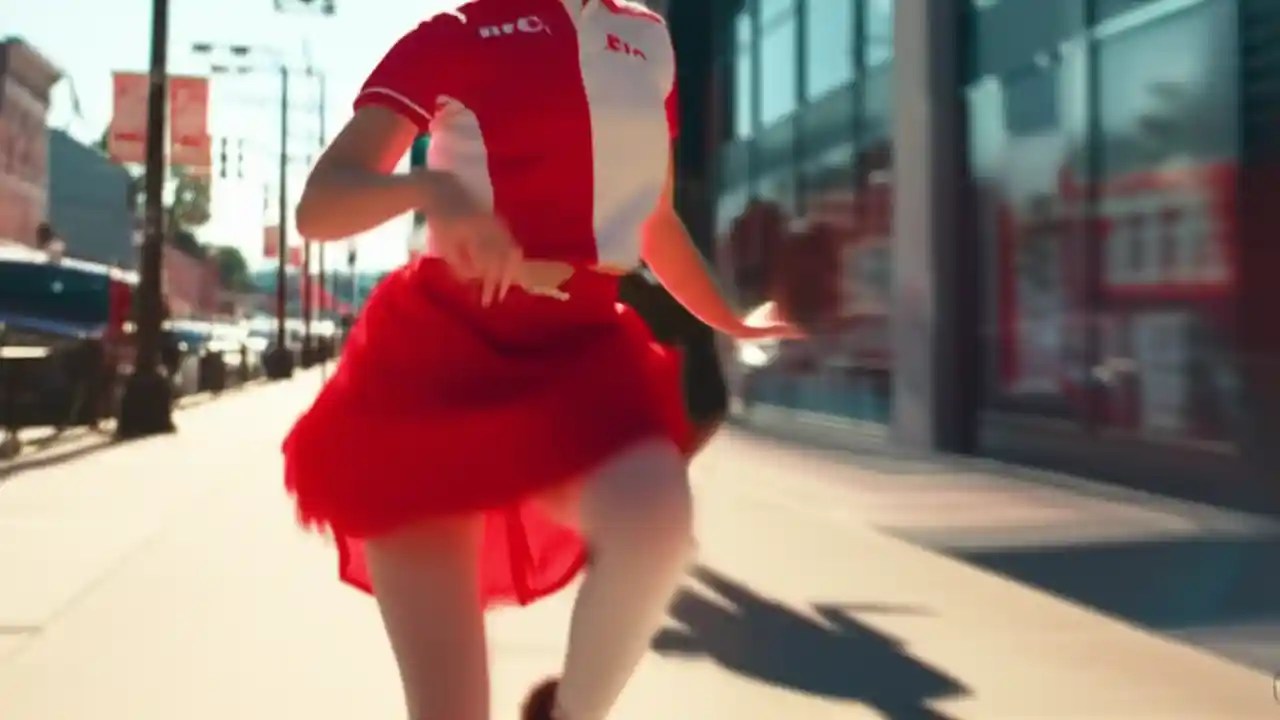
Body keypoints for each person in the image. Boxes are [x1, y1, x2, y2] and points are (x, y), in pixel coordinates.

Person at [283, 2, 796, 719]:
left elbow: (653, 219)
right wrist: (432, 189)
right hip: (436, 368)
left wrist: (733, 319)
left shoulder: (647, 40)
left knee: (656, 517)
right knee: (450, 709)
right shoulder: (454, 36)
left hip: (579, 360)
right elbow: (321, 206)